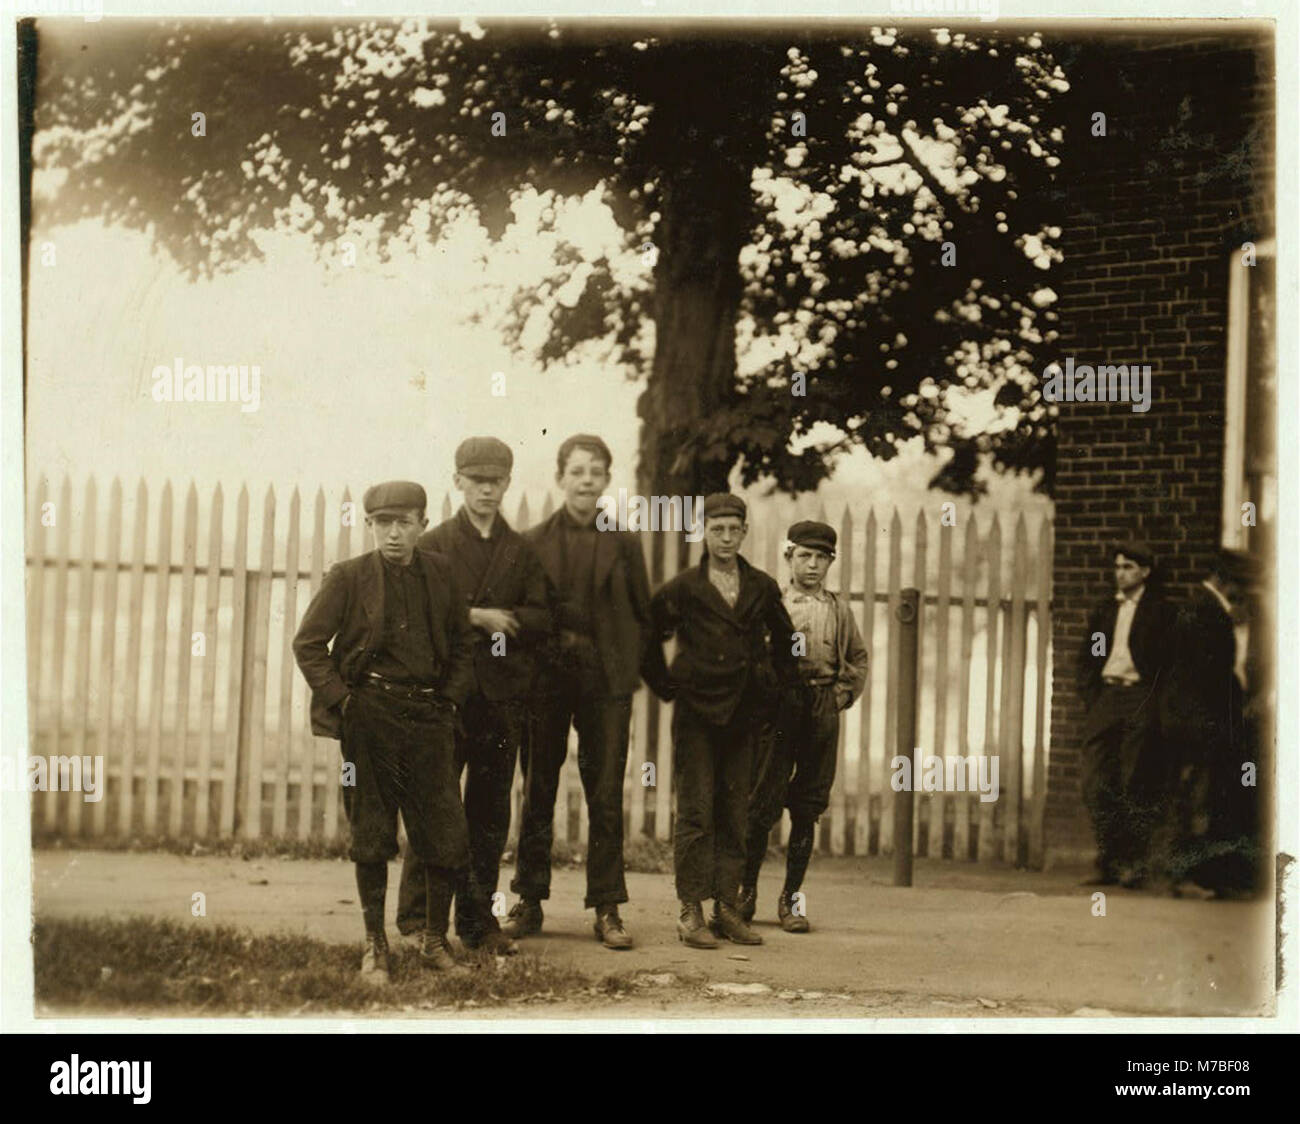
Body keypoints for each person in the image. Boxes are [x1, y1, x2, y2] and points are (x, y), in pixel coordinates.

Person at [292, 481, 476, 984]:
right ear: (370, 525)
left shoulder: (441, 574)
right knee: (371, 831)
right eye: (383, 523)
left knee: (444, 831)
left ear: (422, 524)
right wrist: (345, 701)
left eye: (404, 522)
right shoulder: (349, 577)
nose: (393, 534)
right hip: (369, 719)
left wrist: (451, 700)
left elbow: (465, 645)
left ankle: (436, 941)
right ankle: (375, 945)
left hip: (429, 720)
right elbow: (308, 644)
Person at [394, 438, 551, 955]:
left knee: (489, 814)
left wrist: (512, 619)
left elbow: (543, 616)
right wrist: (475, 617)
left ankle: (478, 921)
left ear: (508, 483)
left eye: (496, 480)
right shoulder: (435, 543)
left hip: (503, 699)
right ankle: (419, 922)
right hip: (448, 696)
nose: (487, 489)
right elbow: (415, 610)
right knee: (435, 807)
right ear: (457, 481)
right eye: (476, 479)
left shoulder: (522, 550)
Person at [501, 434, 652, 949]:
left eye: (596, 471)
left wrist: (642, 673)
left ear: (607, 480)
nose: (587, 480)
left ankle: (607, 908)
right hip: (545, 682)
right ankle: (529, 900)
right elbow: (520, 617)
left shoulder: (626, 544)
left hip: (606, 684)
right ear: (561, 477)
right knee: (538, 787)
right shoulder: (533, 540)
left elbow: (641, 614)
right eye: (578, 470)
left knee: (606, 793)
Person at [643, 493, 801, 948]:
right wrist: (669, 686)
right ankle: (690, 910)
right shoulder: (685, 588)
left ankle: (727, 909)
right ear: (703, 532)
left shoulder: (762, 586)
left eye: (734, 529)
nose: (726, 539)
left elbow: (788, 642)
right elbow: (648, 635)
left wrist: (777, 688)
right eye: (717, 529)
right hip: (697, 713)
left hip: (745, 714)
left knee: (736, 812)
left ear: (745, 532)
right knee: (696, 811)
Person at [740, 520, 869, 932]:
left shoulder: (838, 609)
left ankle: (791, 900)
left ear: (831, 562)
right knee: (761, 804)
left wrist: (840, 696)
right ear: (788, 557)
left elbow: (858, 659)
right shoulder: (772, 603)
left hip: (820, 707)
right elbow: (752, 656)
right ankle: (745, 893)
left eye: (821, 558)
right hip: (780, 709)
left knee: (808, 807)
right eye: (804, 556)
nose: (812, 566)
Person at [1155, 550, 1261, 897]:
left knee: (1192, 798)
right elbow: (1209, 678)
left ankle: (1190, 875)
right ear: (1223, 581)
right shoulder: (1208, 613)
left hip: (1187, 721)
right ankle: (1186, 877)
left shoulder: (1198, 607)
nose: (1242, 595)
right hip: (1198, 725)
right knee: (1197, 801)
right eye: (1239, 586)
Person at [1075, 540, 1175, 888]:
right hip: (1107, 697)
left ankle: (1133, 864)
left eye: (1128, 567)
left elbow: (1168, 664)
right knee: (1095, 780)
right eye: (1117, 567)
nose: (1121, 573)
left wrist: (1155, 703)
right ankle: (1108, 859)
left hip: (1140, 697)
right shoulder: (1106, 610)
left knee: (1135, 779)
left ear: (1145, 571)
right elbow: (1091, 655)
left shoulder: (1160, 611)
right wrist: (1093, 695)